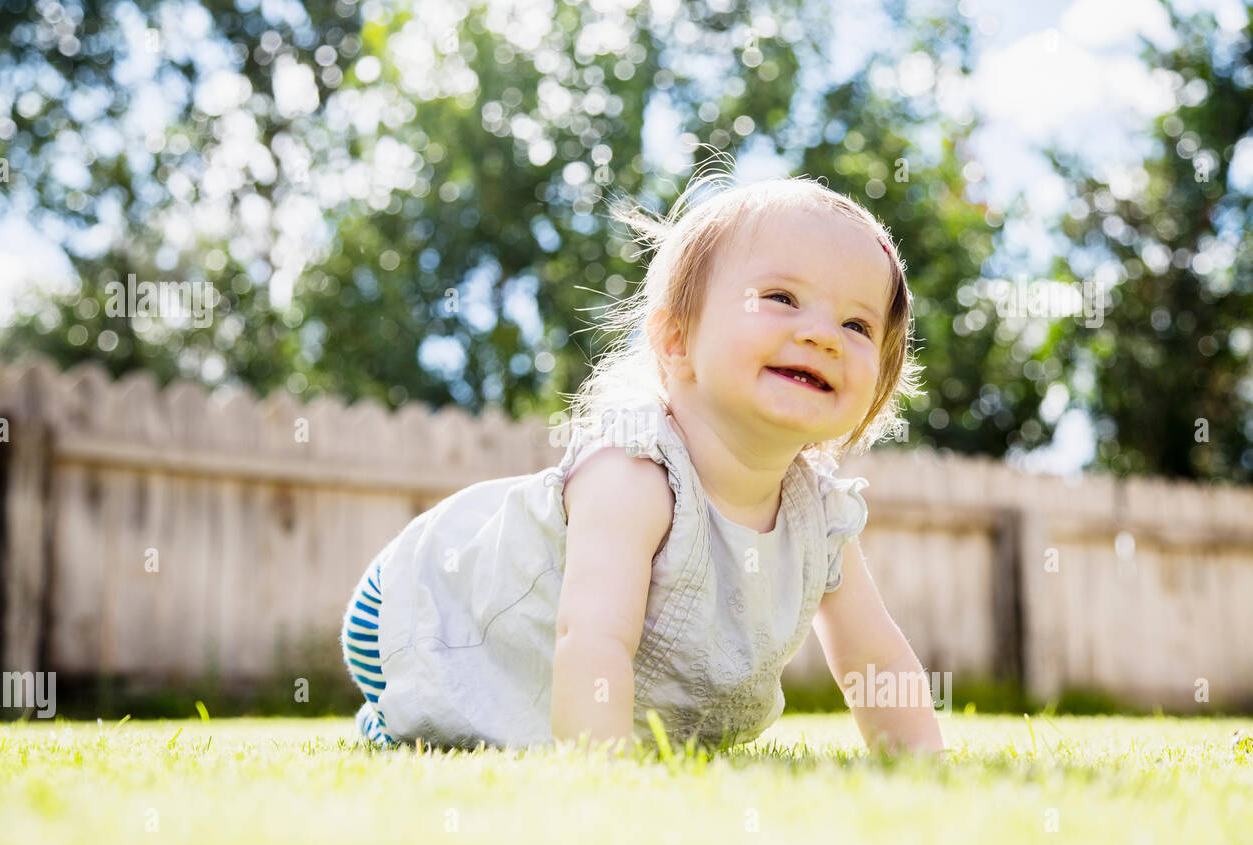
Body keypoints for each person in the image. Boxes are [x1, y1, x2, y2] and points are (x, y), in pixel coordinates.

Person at [340, 168, 944, 757]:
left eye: (857, 324)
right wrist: (602, 768)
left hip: (525, 640)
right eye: (782, 298)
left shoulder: (821, 517)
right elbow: (593, 637)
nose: (823, 335)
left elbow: (877, 658)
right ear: (678, 342)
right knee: (444, 717)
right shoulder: (635, 472)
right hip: (433, 606)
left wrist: (922, 762)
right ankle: (386, 720)